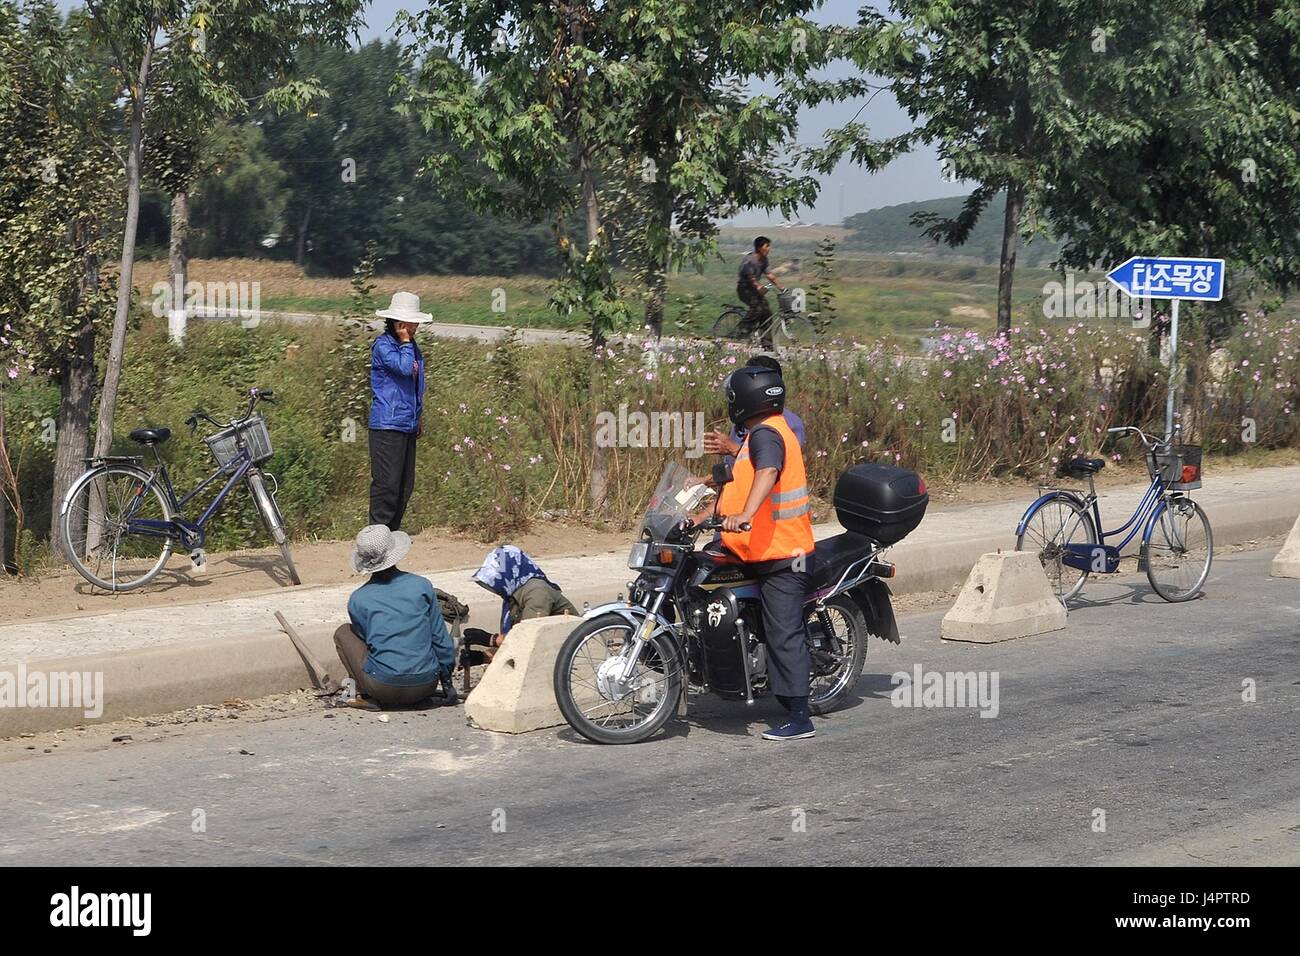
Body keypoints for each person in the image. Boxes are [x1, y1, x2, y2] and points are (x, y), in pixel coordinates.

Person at [715, 364, 816, 741]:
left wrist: (744, 515)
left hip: (785, 556)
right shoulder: (761, 434)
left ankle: (800, 716)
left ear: (744, 399)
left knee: (782, 629)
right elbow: (737, 482)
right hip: (758, 550)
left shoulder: (767, 435)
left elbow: (768, 473)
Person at [335, 524, 458, 707]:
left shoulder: (358, 599)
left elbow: (366, 639)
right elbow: (441, 641)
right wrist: (447, 685)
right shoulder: (422, 586)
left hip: (382, 687)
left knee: (343, 632)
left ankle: (362, 694)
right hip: (426, 685)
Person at [368, 291, 430, 531]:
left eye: (415, 323)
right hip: (387, 425)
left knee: (404, 486)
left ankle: (391, 542)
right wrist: (404, 341)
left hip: (407, 423)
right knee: (387, 487)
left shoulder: (412, 347)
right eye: (410, 322)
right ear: (397, 322)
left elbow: (415, 384)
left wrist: (417, 416)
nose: (414, 327)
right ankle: (376, 543)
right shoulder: (385, 346)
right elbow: (404, 370)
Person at [468, 546, 578, 654]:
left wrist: (492, 639)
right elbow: (514, 645)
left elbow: (527, 636)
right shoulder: (513, 596)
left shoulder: (537, 592)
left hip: (562, 649)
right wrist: (482, 657)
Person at [703, 354, 805, 464]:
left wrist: (734, 449)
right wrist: (705, 480)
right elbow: (734, 468)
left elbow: (774, 464)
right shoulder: (745, 418)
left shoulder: (790, 424)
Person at [737, 236, 786, 344]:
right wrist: (758, 286)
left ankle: (766, 342)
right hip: (744, 289)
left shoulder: (764, 260)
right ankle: (743, 328)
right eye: (767, 246)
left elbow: (770, 275)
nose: (769, 249)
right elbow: (751, 277)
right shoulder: (749, 260)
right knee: (758, 308)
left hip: (754, 290)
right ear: (760, 248)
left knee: (767, 313)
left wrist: (782, 288)